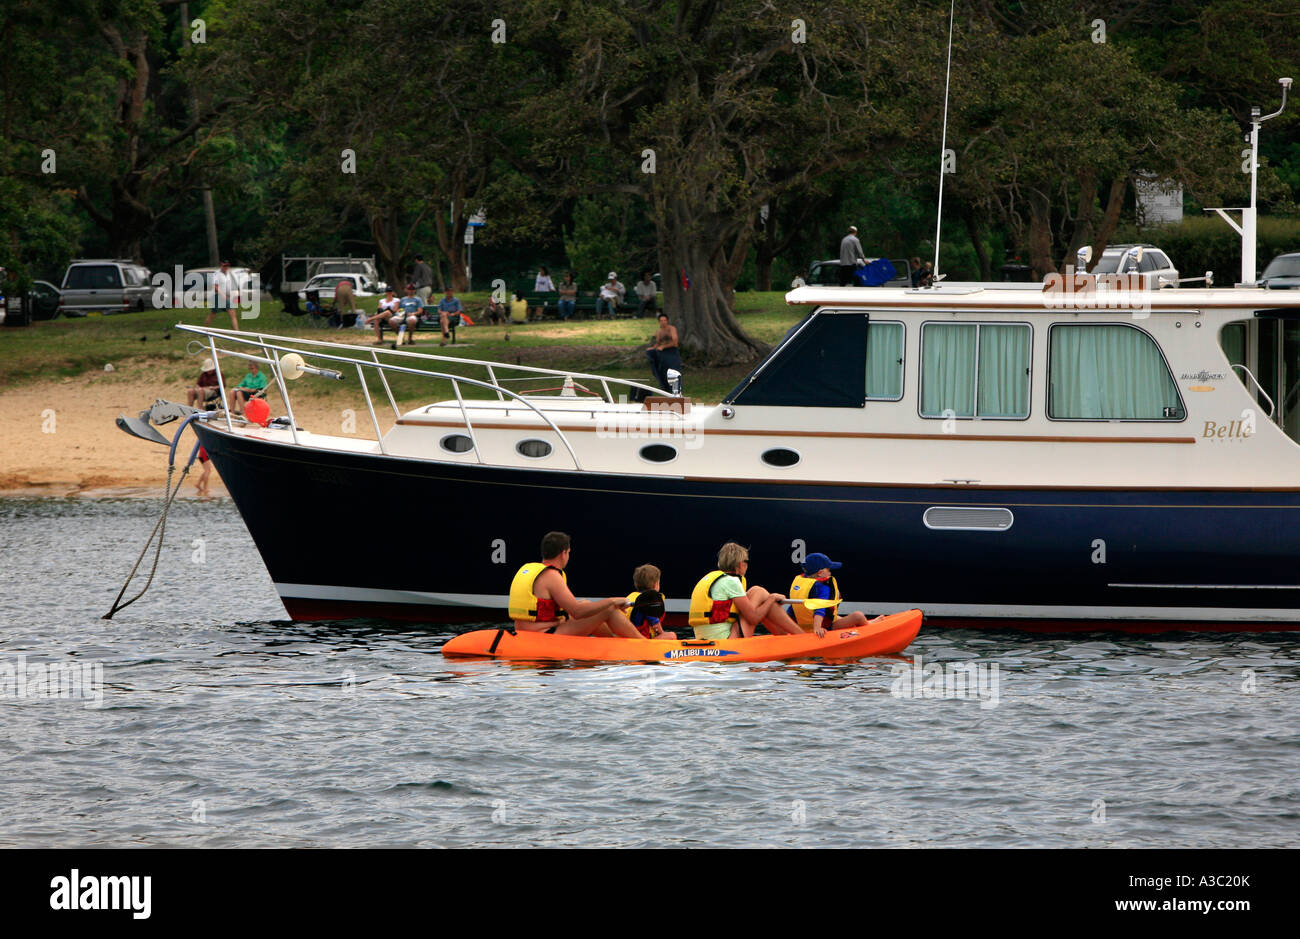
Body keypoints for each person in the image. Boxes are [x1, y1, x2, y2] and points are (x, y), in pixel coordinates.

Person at [508, 531, 644, 638]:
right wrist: (612, 601)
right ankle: (642, 644)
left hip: (528, 630)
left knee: (585, 604)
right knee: (608, 609)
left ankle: (611, 644)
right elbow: (577, 613)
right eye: (568, 553)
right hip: (544, 634)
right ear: (564, 553)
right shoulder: (552, 576)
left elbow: (572, 608)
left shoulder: (531, 570)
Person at [688, 543, 804, 640]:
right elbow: (753, 618)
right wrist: (772, 598)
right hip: (725, 641)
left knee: (757, 593)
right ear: (740, 564)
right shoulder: (732, 581)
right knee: (760, 592)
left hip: (705, 638)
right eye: (747, 561)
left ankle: (786, 637)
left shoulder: (711, 578)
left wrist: (768, 601)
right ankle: (800, 637)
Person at [787, 552, 869, 638]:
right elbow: (820, 609)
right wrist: (817, 628)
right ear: (820, 573)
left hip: (803, 626)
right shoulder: (823, 587)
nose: (830, 573)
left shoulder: (800, 584)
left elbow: (794, 608)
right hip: (824, 626)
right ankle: (869, 626)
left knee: (836, 617)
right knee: (858, 616)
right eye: (829, 570)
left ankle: (864, 623)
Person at [626, 564, 677, 640]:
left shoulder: (630, 598)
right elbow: (655, 624)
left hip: (626, 638)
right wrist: (663, 634)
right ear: (655, 585)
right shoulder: (650, 600)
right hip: (642, 641)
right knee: (672, 635)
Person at [646, 313, 682, 392]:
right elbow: (658, 343)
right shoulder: (659, 332)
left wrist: (664, 347)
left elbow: (675, 342)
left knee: (674, 372)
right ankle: (666, 390)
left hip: (672, 352)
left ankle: (676, 390)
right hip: (663, 354)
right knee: (663, 372)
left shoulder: (671, 329)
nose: (663, 322)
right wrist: (653, 348)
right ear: (659, 322)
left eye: (665, 320)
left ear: (667, 321)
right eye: (661, 320)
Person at [203, 260, 240, 330]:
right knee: (215, 314)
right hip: (218, 296)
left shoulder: (229, 274)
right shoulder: (217, 274)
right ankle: (204, 330)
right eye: (224, 265)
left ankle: (236, 332)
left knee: (230, 313)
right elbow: (215, 287)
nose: (226, 267)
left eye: (227, 265)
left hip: (225, 297)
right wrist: (223, 295)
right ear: (221, 265)